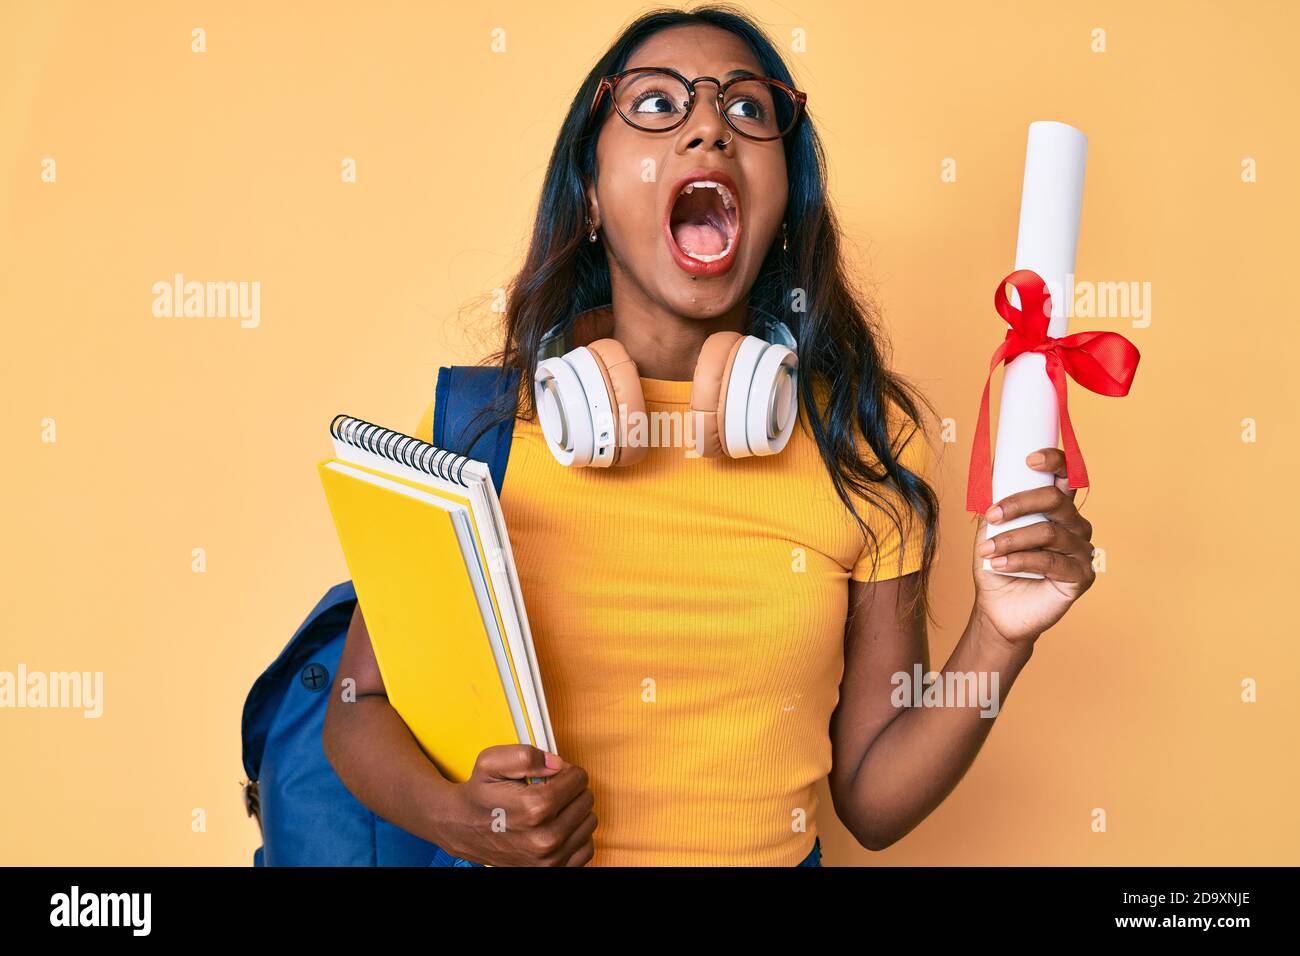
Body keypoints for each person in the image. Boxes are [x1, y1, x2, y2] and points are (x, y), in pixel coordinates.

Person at [321, 5, 1096, 867]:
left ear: (784, 202)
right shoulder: (477, 431)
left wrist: (1001, 635)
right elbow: (358, 705)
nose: (709, 130)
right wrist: (456, 816)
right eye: (657, 104)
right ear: (590, 194)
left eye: (748, 109)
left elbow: (873, 802)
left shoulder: (866, 442)